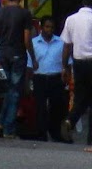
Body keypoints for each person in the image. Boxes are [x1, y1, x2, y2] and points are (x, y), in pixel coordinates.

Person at [0, 0, 33, 138]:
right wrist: (34, 58)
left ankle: (1, 120)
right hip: (18, 55)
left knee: (10, 89)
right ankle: (8, 128)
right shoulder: (24, 13)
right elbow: (27, 40)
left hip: (3, 55)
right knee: (15, 91)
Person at [32, 14, 71, 143]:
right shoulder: (33, 43)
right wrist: (27, 82)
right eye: (47, 27)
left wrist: (68, 79)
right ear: (41, 27)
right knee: (40, 107)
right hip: (39, 78)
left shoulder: (61, 43)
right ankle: (41, 134)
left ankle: (55, 133)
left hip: (56, 78)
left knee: (57, 107)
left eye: (52, 27)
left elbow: (68, 62)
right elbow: (28, 64)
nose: (49, 30)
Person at [64, 0, 92, 144]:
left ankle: (70, 120)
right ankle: (91, 140)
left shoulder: (71, 19)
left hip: (78, 62)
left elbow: (66, 46)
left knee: (81, 97)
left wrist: (64, 67)